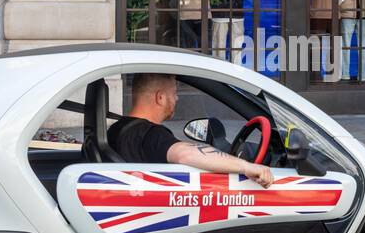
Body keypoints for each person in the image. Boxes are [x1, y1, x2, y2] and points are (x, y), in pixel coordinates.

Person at [106, 72, 273, 187]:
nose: (177, 98)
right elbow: (185, 154)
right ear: (161, 97)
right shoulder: (151, 135)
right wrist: (246, 167)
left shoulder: (116, 129)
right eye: (174, 93)